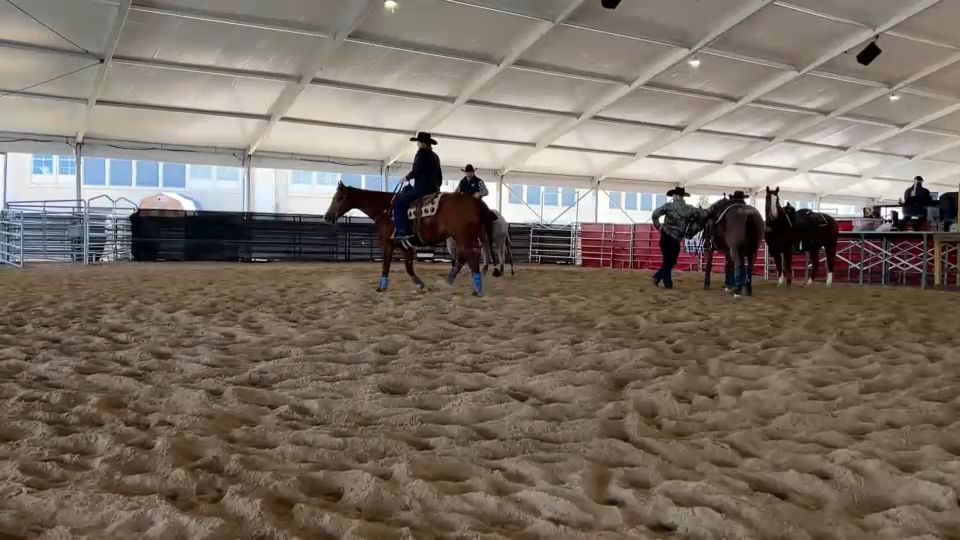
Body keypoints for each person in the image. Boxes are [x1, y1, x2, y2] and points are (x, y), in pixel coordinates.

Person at [393, 132, 442, 245]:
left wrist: (406, 178)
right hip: (434, 189)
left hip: (421, 189)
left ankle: (402, 231)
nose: (417, 144)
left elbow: (416, 171)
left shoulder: (420, 154)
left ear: (422, 143)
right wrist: (437, 188)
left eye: (418, 142)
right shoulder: (435, 156)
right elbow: (439, 176)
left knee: (399, 202)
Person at [651, 187, 700, 288]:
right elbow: (700, 216)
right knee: (671, 261)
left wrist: (658, 226)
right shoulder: (689, 209)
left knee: (667, 260)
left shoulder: (668, 206)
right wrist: (691, 231)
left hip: (665, 235)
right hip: (676, 238)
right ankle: (665, 281)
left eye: (673, 195)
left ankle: (659, 277)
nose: (672, 197)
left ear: (676, 196)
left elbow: (655, 214)